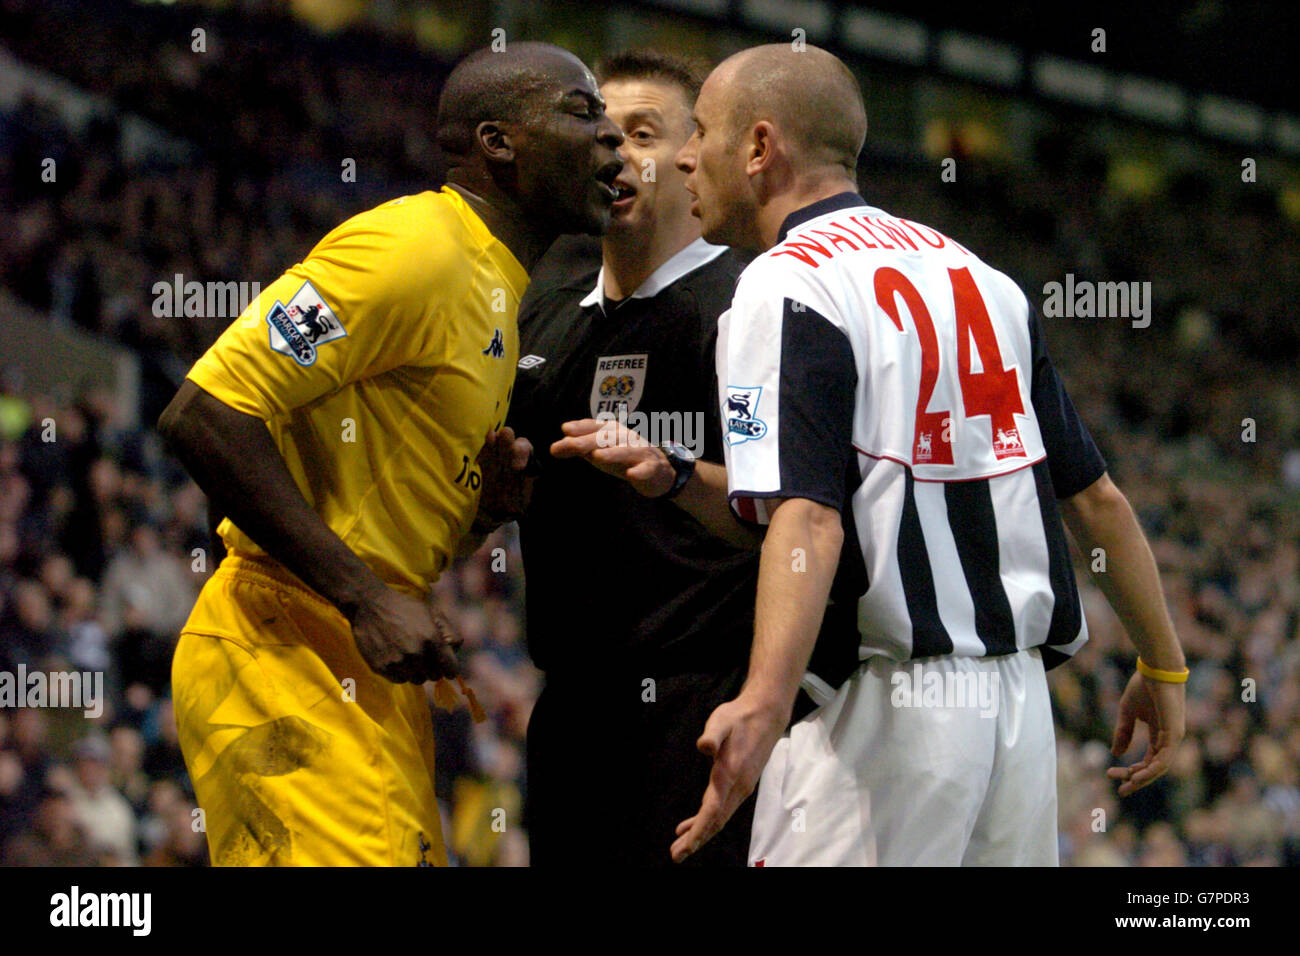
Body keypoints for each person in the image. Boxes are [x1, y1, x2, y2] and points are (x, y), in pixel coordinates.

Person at [590, 42, 1186, 865]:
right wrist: (1165, 664)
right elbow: (1096, 502)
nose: (687, 158)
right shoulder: (983, 277)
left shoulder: (778, 285)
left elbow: (806, 519)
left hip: (887, 719)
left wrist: (762, 703)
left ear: (760, 149)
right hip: (1015, 718)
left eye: (701, 132)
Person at [156, 42, 624, 866]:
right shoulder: (416, 248)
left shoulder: (498, 296)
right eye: (583, 113)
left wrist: (477, 511)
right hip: (282, 649)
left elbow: (364, 494)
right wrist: (365, 596)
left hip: (353, 667)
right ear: (497, 141)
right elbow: (204, 411)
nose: (613, 140)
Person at [510, 50, 761, 866]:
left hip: (700, 712)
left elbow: (798, 515)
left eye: (642, 133)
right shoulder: (541, 317)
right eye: (600, 135)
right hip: (571, 715)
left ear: (693, 155)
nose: (614, 153)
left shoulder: (751, 311)